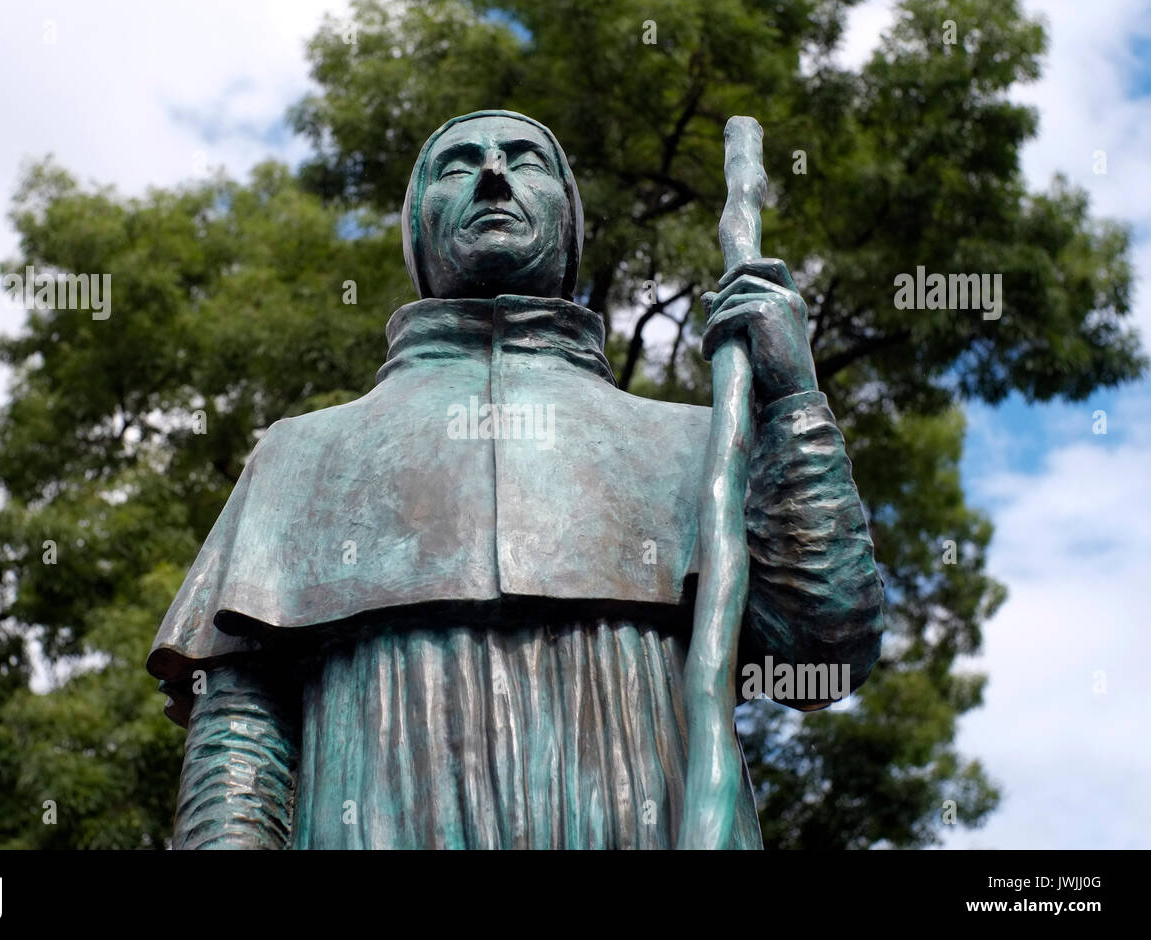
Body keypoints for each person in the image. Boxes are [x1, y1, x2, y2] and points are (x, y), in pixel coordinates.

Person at [146, 110, 883, 849]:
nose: (493, 174)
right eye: (458, 164)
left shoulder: (701, 443)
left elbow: (822, 652)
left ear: (568, 219)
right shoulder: (301, 453)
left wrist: (791, 399)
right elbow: (238, 728)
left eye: (525, 160)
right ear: (416, 226)